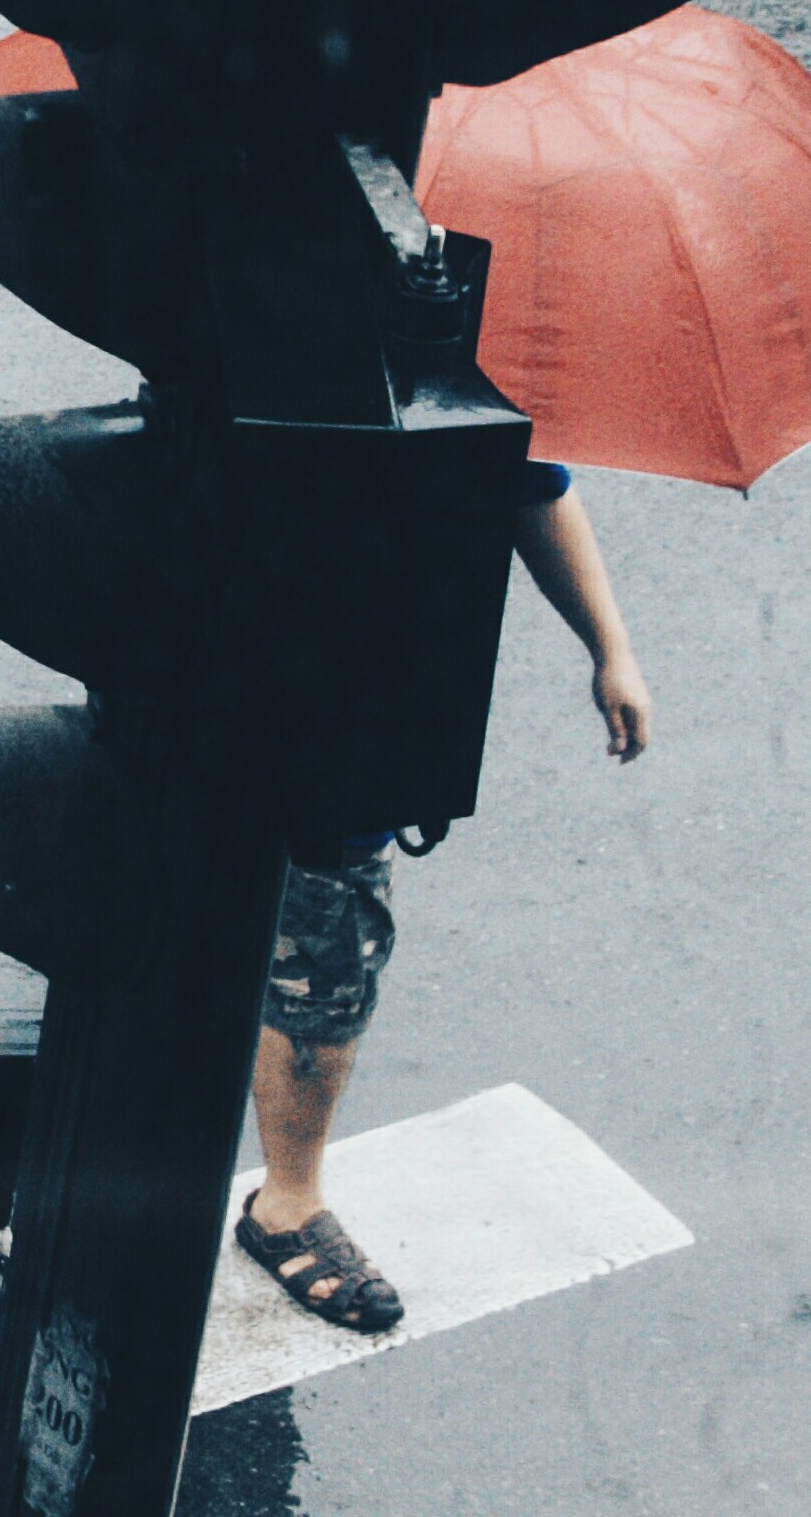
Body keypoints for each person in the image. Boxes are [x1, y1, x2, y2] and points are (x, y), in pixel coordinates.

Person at [237, 463, 653, 1332]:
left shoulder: (455, 364)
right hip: (230, 686)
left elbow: (535, 484)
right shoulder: (262, 347)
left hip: (354, 727)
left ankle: (289, 1199)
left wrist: (611, 650)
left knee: (325, 955)